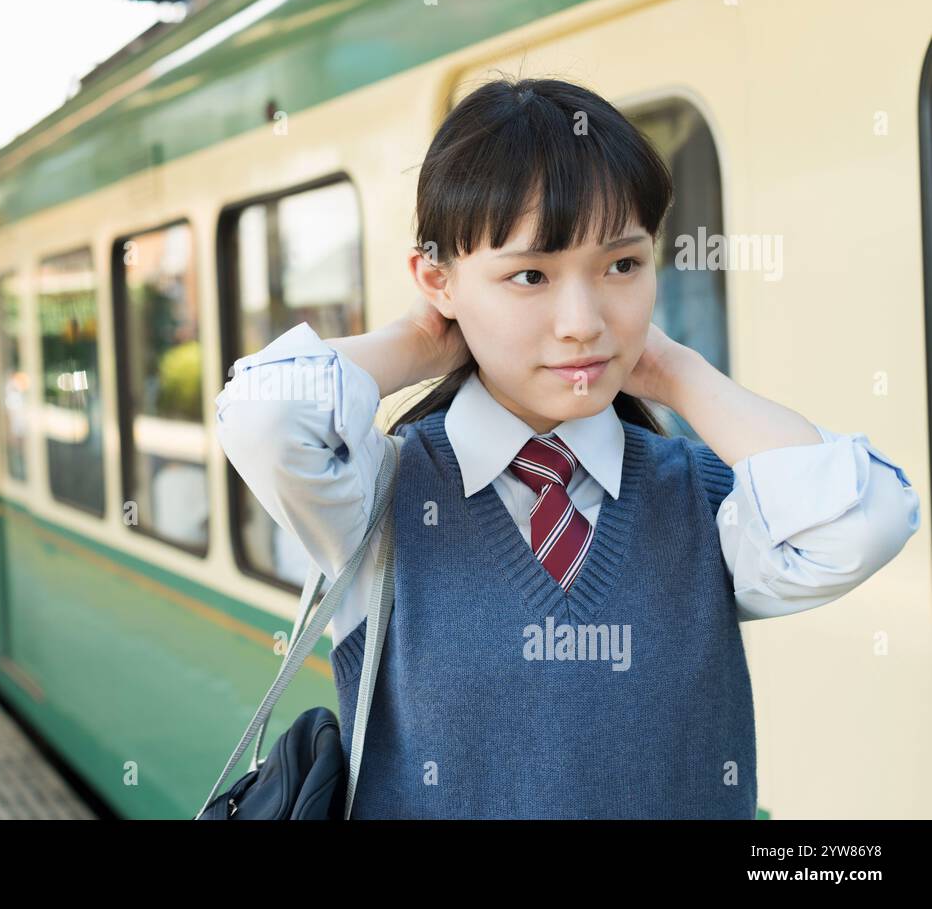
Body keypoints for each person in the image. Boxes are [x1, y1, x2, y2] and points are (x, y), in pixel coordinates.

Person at [213, 76, 921, 819]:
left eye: (622, 265)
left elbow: (867, 518)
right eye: (530, 275)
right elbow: (264, 418)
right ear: (436, 278)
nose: (583, 321)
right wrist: (420, 340)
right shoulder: (378, 497)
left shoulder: (701, 498)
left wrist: (675, 373)